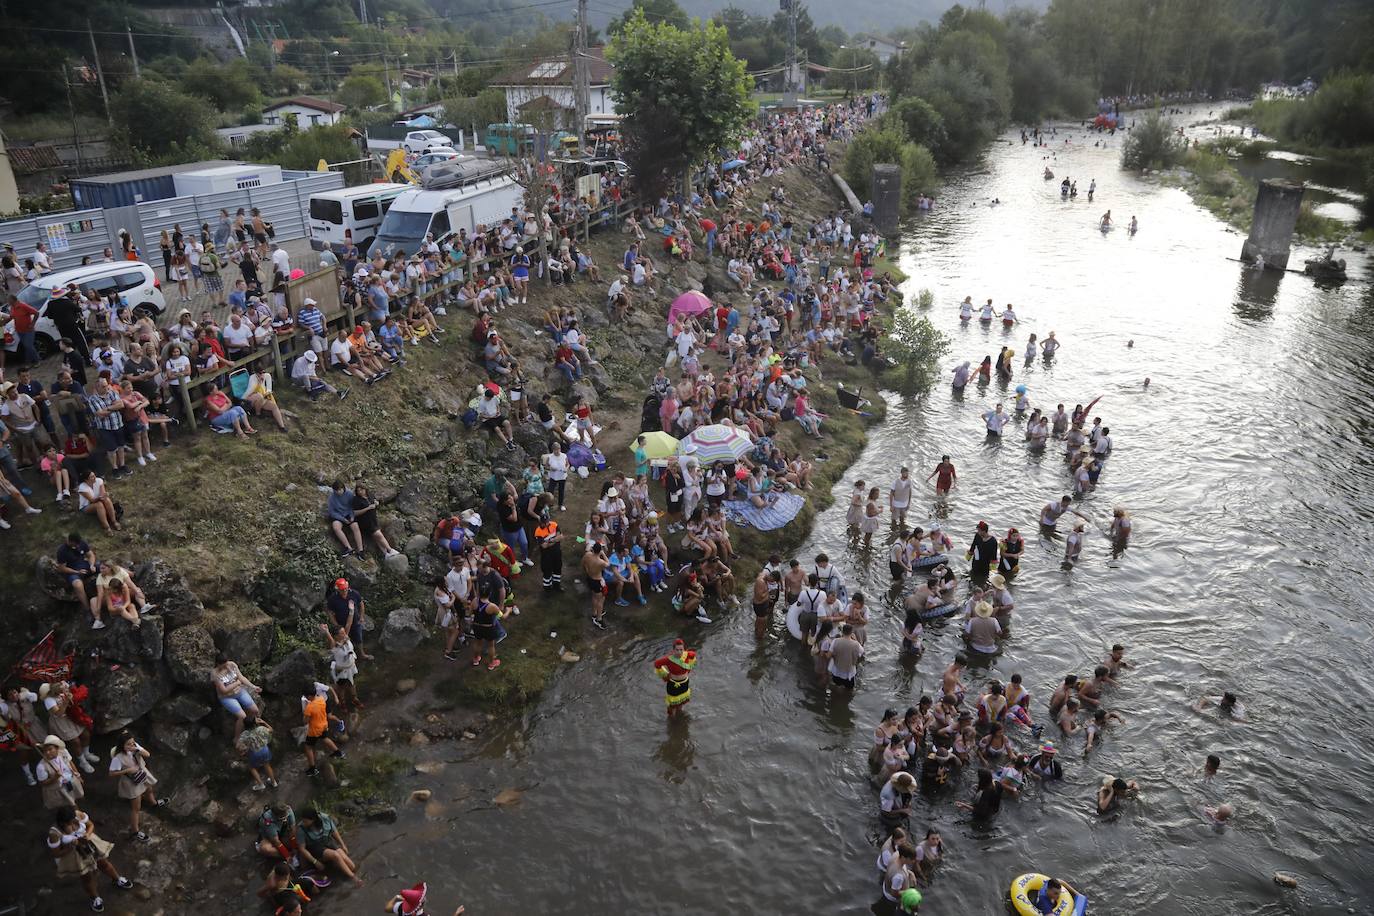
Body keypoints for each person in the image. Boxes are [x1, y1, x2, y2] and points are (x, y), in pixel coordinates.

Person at [47, 804, 135, 912]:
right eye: (69, 822)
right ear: (62, 822)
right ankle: (95, 898)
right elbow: (56, 853)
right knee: (87, 876)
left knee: (104, 863)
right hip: (74, 854)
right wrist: (71, 846)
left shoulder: (78, 815)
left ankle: (117, 879)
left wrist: (87, 835)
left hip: (89, 844)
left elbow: (90, 825)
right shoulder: (54, 833)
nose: (73, 822)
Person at [107, 731, 167, 840]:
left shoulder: (135, 747)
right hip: (131, 782)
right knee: (136, 807)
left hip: (142, 774)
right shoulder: (117, 758)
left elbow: (147, 754)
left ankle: (154, 804)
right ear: (122, 745)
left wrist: (137, 749)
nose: (131, 745)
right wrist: (127, 770)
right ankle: (135, 831)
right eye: (128, 744)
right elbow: (111, 773)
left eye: (133, 743)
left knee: (149, 789)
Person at [297, 807, 363, 886]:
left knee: (352, 866)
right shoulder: (301, 829)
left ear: (313, 819)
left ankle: (341, 869)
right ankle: (353, 878)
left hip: (328, 842)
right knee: (335, 855)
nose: (303, 823)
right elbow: (302, 849)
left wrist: (342, 845)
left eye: (306, 821)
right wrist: (315, 862)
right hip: (315, 847)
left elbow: (334, 831)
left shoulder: (325, 819)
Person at [212, 653, 262, 742]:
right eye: (224, 665)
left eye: (227, 664)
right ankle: (237, 737)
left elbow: (241, 678)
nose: (227, 666)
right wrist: (237, 683)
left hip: (240, 692)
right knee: (242, 716)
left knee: (255, 710)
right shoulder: (215, 674)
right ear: (218, 664)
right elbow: (223, 690)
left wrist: (253, 687)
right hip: (226, 697)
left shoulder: (232, 665)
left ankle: (250, 726)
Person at [301, 682, 346, 776]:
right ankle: (338, 753)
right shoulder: (321, 699)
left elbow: (305, 721)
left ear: (309, 696)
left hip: (314, 730)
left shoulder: (309, 707)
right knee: (325, 739)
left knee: (308, 747)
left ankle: (313, 769)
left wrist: (305, 716)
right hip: (324, 725)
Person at [652, 638, 698, 718]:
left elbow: (693, 657)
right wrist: (665, 675)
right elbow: (657, 664)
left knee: (681, 702)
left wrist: (688, 670)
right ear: (673, 650)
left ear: (684, 649)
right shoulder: (668, 659)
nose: (679, 652)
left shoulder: (688, 654)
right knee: (672, 705)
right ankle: (671, 719)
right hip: (673, 684)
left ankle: (679, 716)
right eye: (677, 650)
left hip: (684, 683)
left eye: (681, 650)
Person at [236, 717, 278, 791]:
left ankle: (261, 784)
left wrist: (243, 751)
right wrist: (263, 722)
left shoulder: (244, 734)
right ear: (255, 723)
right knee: (267, 765)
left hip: (254, 753)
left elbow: (238, 746)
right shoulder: (261, 728)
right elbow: (271, 730)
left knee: (252, 768)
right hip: (265, 750)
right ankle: (273, 782)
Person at [827, 623, 864, 690]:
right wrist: (855, 639)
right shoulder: (856, 644)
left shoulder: (835, 641)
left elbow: (829, 655)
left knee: (836, 688)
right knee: (849, 690)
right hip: (849, 672)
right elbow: (861, 652)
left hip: (837, 671)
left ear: (842, 631)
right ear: (851, 632)